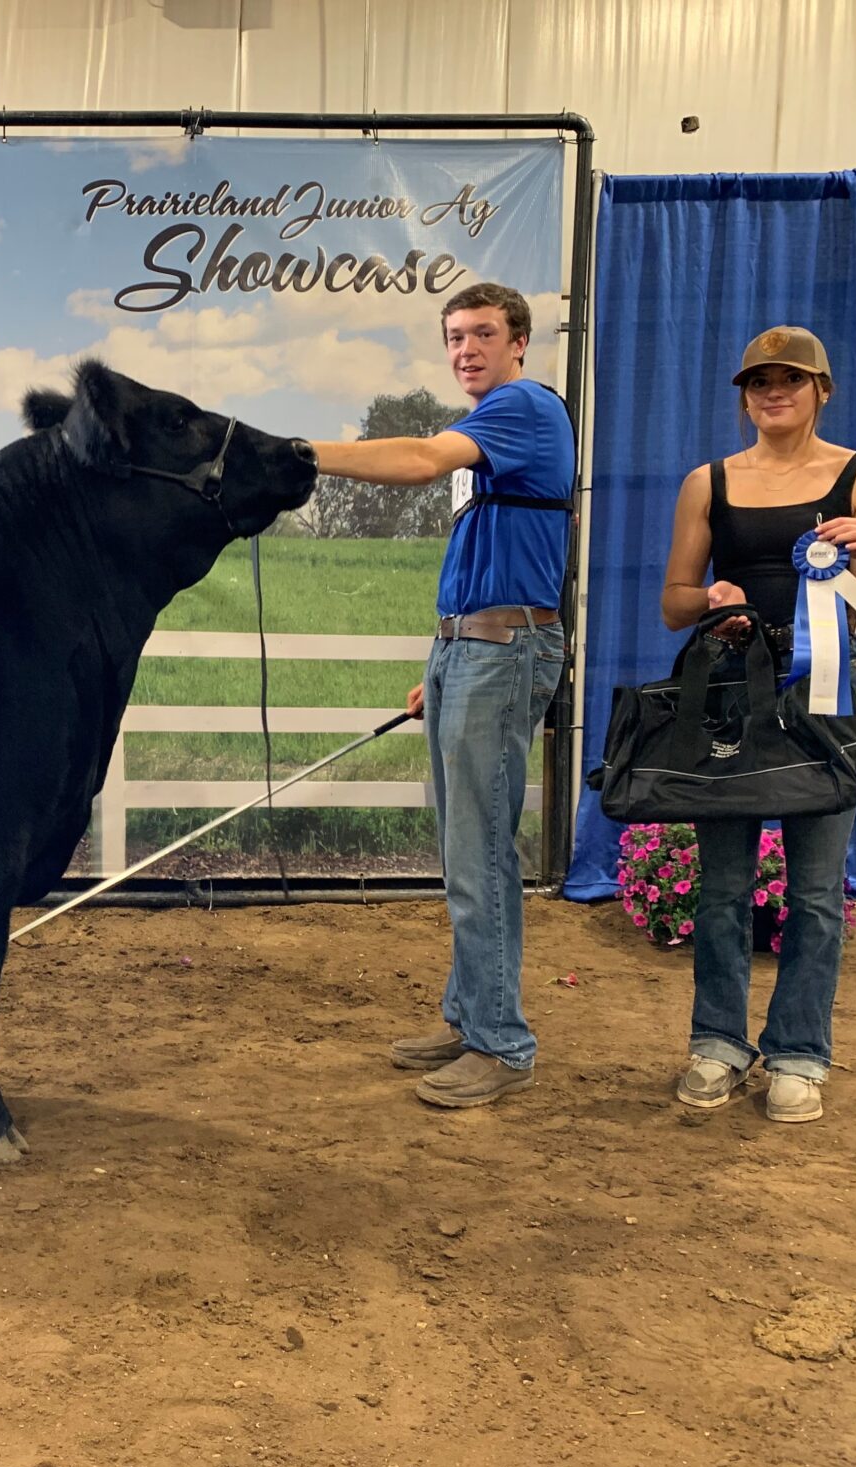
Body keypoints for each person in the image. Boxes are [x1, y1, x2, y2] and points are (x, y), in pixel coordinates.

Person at [307, 282, 574, 1108]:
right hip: (472, 648)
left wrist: (297, 455)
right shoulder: (494, 428)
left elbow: (419, 458)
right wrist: (445, 661)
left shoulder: (522, 406)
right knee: (467, 847)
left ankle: (502, 1043)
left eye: (483, 335)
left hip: (503, 648)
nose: (466, 351)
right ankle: (469, 1018)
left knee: (480, 852)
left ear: (520, 341)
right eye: (455, 337)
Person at [658, 325, 856, 1123]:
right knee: (722, 887)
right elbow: (674, 604)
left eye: (790, 379)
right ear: (745, 395)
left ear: (822, 390)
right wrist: (713, 601)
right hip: (729, 691)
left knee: (818, 891)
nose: (772, 391)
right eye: (758, 381)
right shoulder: (710, 483)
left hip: (825, 696)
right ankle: (717, 1043)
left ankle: (799, 1052)